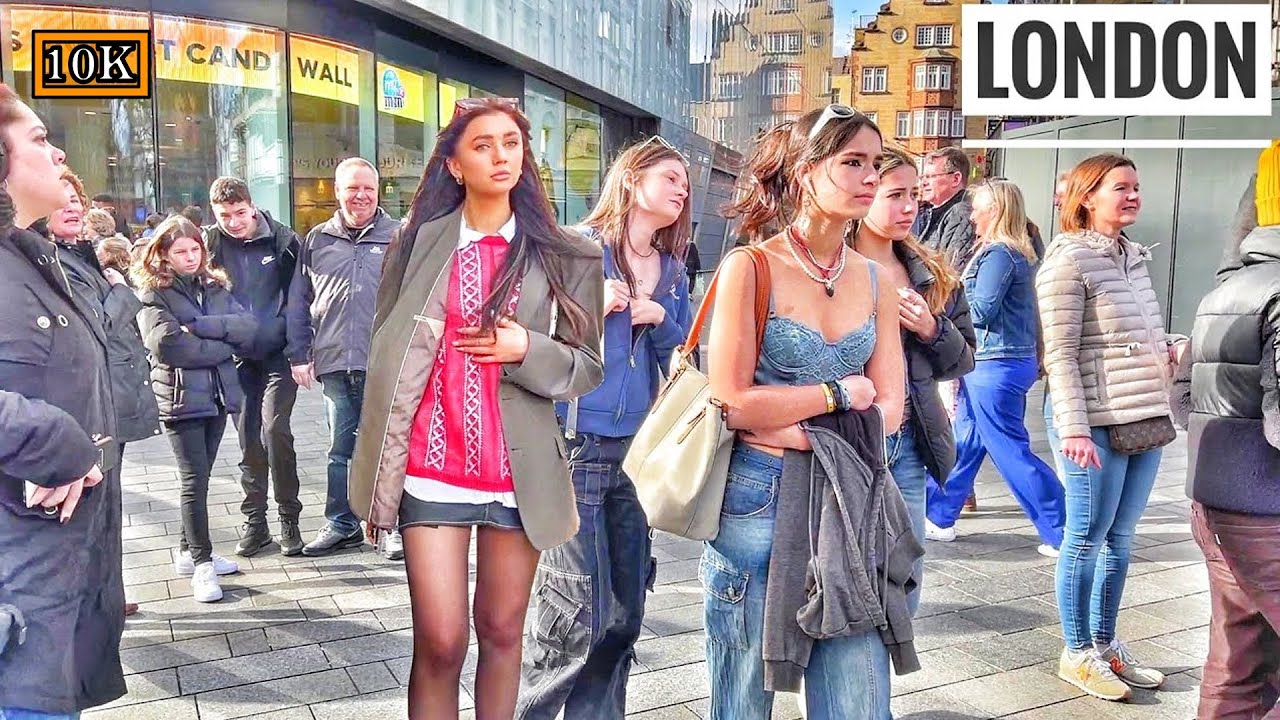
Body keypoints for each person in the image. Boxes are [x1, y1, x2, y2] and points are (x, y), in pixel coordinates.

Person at [347, 97, 604, 720]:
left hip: (519, 473)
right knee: (440, 641)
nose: (501, 155)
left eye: (511, 143)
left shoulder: (570, 254)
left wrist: (526, 349)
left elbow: (587, 367)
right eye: (483, 144)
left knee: (503, 633)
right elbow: (387, 346)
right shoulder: (417, 243)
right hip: (431, 466)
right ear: (455, 164)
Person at [705, 105, 908, 719]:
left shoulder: (876, 280)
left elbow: (893, 407)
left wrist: (798, 425)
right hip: (756, 494)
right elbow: (733, 400)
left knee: (858, 697)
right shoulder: (752, 266)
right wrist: (839, 396)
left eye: (875, 164)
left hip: (848, 493)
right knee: (741, 693)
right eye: (853, 163)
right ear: (804, 172)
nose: (870, 178)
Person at [516, 136, 694, 719]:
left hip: (641, 453)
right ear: (631, 179)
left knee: (624, 614)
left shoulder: (672, 270)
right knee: (575, 614)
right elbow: (529, 329)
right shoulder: (579, 251)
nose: (681, 188)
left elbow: (692, 352)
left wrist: (661, 316)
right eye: (670, 176)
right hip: (576, 444)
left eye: (684, 183)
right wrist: (595, 303)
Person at [0, 82, 126, 717]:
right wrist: (57, 444)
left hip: (56, 576)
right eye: (40, 139)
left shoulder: (33, 256)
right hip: (16, 597)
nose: (57, 155)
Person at [1038, 153, 1178, 702]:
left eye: (1136, 187)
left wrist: (1167, 352)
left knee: (1121, 541)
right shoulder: (1068, 261)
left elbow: (1124, 337)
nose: (1133, 195)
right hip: (1090, 421)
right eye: (1121, 187)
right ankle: (1076, 653)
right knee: (1086, 539)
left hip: (1142, 413)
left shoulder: (1132, 256)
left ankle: (1105, 643)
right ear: (1087, 196)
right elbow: (1061, 353)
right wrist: (1071, 427)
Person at [852, 145, 976, 614]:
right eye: (895, 194)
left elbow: (963, 359)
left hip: (909, 441)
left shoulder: (931, 272)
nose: (909, 207)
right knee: (843, 572)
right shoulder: (829, 268)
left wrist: (930, 327)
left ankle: (884, 665)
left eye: (915, 195)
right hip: (847, 438)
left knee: (905, 577)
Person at [923, 180, 1066, 555]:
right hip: (995, 363)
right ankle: (939, 516)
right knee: (967, 442)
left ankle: (1063, 529)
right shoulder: (1007, 252)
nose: (971, 216)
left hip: (994, 364)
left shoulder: (1000, 254)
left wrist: (944, 302)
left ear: (996, 211)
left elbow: (981, 310)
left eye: (978, 209)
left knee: (1010, 450)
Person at [1186, 144, 1277, 719]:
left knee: (1237, 660)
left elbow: (1183, 394)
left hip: (1221, 504)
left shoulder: (1229, 287)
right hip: (1269, 511)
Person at [47, 169, 160, 618]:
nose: (74, 207)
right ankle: (96, 600)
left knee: (108, 503)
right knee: (92, 506)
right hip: (91, 403)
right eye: (62, 201)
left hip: (114, 396)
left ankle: (107, 595)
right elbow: (95, 322)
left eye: (77, 199)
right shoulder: (53, 260)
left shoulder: (83, 254)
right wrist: (121, 291)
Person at [134, 217, 259, 602]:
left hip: (217, 396)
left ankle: (188, 551)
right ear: (164, 255)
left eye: (195, 250)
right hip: (181, 399)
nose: (190, 257)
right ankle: (202, 564)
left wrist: (201, 326)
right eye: (181, 251)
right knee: (194, 480)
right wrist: (223, 345)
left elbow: (248, 326)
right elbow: (167, 345)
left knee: (201, 475)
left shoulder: (214, 284)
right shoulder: (156, 292)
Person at [286, 157, 404, 560]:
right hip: (335, 362)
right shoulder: (317, 239)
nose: (361, 195)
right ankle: (342, 524)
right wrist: (299, 354)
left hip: (385, 364)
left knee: (389, 446)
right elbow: (298, 302)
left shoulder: (398, 237)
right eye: (353, 188)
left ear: (378, 191)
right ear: (337, 191)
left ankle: (390, 527)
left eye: (368, 188)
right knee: (340, 451)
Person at [204, 177, 304, 557]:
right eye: (224, 215)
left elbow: (298, 301)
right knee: (248, 440)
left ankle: (289, 519)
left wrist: (299, 353)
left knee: (275, 429)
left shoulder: (283, 240)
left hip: (278, 354)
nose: (233, 221)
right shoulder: (210, 244)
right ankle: (255, 522)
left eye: (239, 213)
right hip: (236, 358)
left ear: (252, 206)